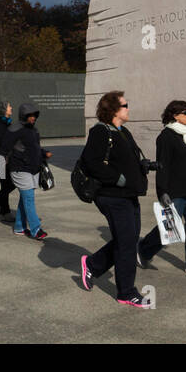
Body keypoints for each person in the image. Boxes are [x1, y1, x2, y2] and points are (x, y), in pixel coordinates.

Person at [78, 90, 153, 307]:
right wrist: (118, 179)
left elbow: (126, 160)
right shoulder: (100, 132)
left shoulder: (124, 132)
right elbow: (91, 162)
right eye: (125, 105)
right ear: (113, 109)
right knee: (128, 243)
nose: (129, 108)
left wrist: (143, 166)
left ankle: (92, 265)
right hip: (112, 196)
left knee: (127, 239)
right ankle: (126, 292)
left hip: (129, 195)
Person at [138, 100, 186, 276]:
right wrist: (162, 191)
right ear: (175, 115)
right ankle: (144, 250)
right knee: (169, 229)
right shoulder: (165, 137)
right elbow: (164, 166)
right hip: (175, 192)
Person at [2, 102, 53, 239]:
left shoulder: (34, 130)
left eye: (34, 115)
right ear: (23, 115)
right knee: (29, 198)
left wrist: (44, 153)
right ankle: (36, 229)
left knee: (25, 198)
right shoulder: (14, 129)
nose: (33, 118)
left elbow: (35, 148)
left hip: (32, 168)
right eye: (30, 115)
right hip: (18, 168)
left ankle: (19, 227)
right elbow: (3, 149)